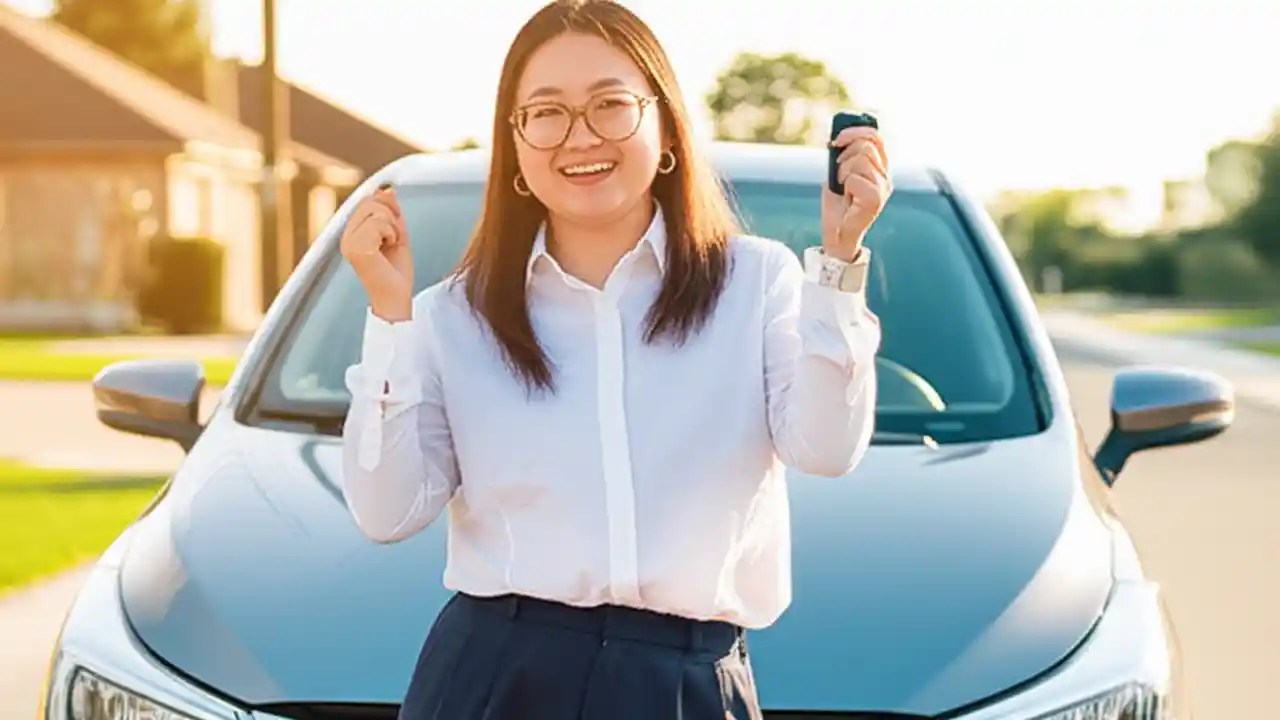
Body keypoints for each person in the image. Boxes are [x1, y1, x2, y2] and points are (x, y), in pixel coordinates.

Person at [338, 1, 889, 717]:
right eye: (546, 113)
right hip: (496, 681)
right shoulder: (451, 316)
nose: (580, 136)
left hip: (688, 684)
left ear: (664, 128)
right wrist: (389, 316)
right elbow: (385, 512)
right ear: (515, 142)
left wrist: (840, 262)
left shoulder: (758, 283)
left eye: (610, 105)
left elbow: (826, 448)